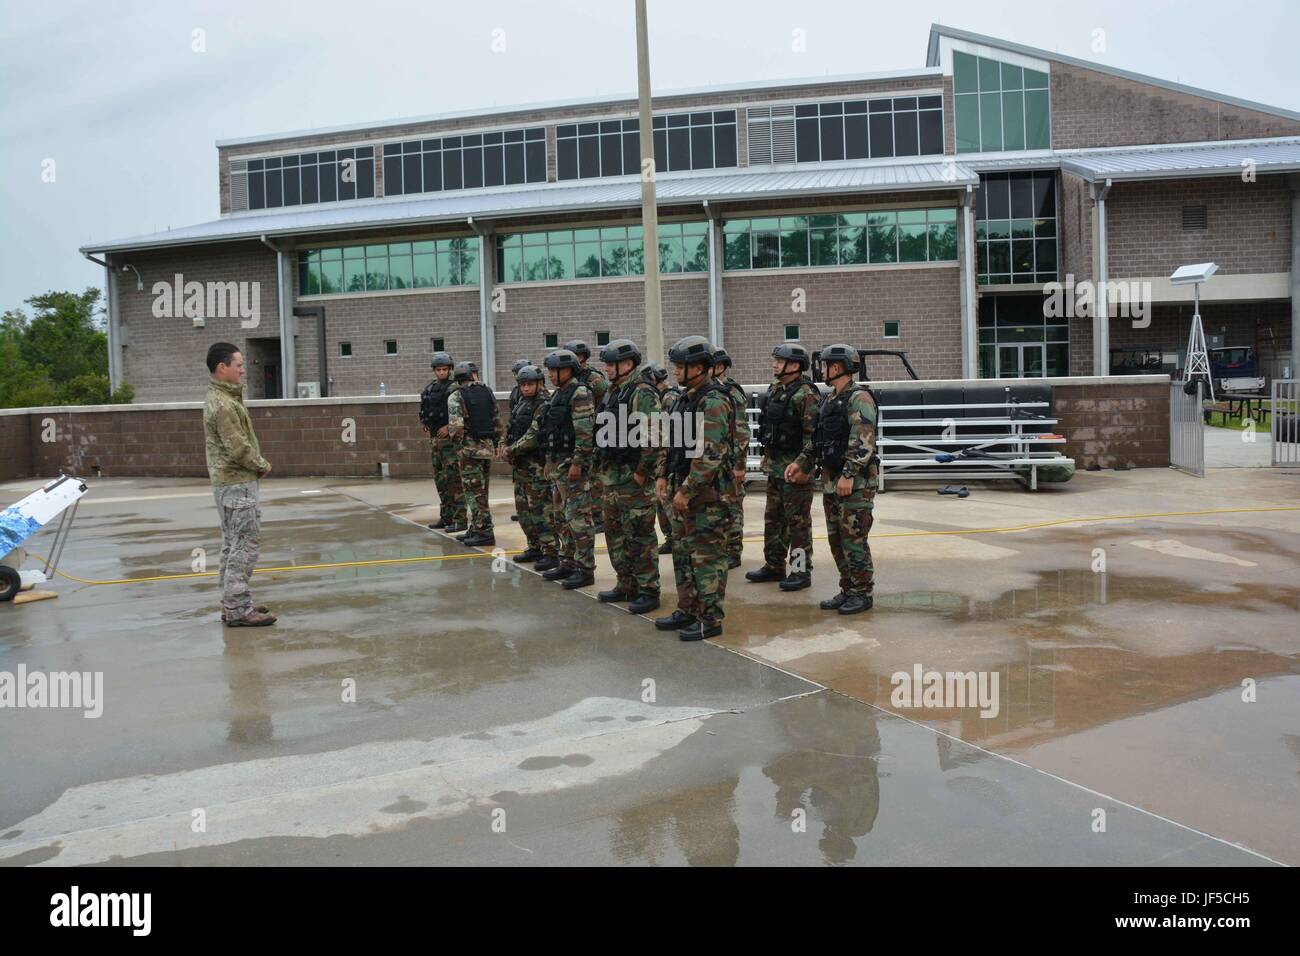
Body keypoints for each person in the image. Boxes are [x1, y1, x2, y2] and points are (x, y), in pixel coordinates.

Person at [653, 335, 733, 642]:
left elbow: (710, 455)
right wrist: (663, 475)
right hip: (682, 488)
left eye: (680, 366)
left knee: (707, 558)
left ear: (699, 368)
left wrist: (686, 490)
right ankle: (687, 609)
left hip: (707, 495)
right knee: (684, 554)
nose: (675, 371)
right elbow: (672, 445)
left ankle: (710, 618)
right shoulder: (683, 400)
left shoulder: (713, 401)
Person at [790, 345, 878, 615]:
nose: (822, 370)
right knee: (836, 539)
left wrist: (849, 474)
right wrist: (800, 462)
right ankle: (848, 589)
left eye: (826, 365)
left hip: (855, 484)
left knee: (853, 539)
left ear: (837, 367)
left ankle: (862, 593)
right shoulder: (830, 400)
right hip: (831, 481)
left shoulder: (859, 397)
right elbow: (817, 440)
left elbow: (863, 440)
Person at [203, 342, 275, 627]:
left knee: (232, 544)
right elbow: (238, 448)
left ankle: (232, 602)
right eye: (238, 365)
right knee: (244, 546)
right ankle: (238, 609)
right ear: (222, 367)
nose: (243, 370)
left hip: (229, 484)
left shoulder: (223, 398)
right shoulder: (223, 404)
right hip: (237, 484)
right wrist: (261, 465)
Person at [593, 338, 662, 615]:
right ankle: (626, 583)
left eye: (612, 364)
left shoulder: (642, 391)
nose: (607, 369)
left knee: (639, 535)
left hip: (633, 478)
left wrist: (641, 473)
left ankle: (648, 590)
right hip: (611, 477)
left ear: (628, 364)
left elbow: (655, 435)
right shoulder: (613, 391)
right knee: (615, 534)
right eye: (606, 364)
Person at [747, 342, 818, 592]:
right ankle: (774, 565)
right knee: (773, 519)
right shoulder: (776, 390)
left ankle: (800, 571)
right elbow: (770, 427)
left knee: (798, 525)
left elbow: (813, 437)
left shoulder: (806, 395)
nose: (774, 364)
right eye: (775, 360)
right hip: (776, 468)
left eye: (780, 360)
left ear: (795, 365)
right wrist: (766, 456)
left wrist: (803, 466)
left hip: (796, 471)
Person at [537, 349, 597, 589]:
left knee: (579, 518)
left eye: (554, 370)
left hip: (572, 466)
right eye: (549, 370)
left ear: (568, 370)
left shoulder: (579, 393)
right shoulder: (558, 394)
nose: (550, 375)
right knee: (561, 517)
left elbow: (585, 434)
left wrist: (578, 463)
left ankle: (585, 568)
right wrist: (547, 463)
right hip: (557, 465)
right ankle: (567, 561)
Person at [503, 363, 557, 566]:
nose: (525, 388)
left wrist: (511, 449)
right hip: (521, 467)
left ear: (539, 383)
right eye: (522, 384)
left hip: (536, 467)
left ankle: (550, 551)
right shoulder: (520, 403)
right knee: (524, 511)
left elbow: (533, 435)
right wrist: (503, 445)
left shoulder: (544, 404)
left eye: (529, 384)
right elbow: (510, 427)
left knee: (540, 511)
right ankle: (534, 547)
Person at [446, 361, 502, 546]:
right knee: (481, 492)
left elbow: (455, 428)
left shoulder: (456, 396)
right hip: (486, 449)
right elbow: (497, 421)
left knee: (473, 493)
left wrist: (460, 448)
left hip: (469, 452)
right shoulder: (487, 392)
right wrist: (496, 444)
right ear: (473, 375)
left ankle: (484, 532)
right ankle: (476, 527)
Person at [711, 348, 751, 570]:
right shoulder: (709, 391)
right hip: (714, 460)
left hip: (729, 461)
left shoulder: (730, 393)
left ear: (719, 367)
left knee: (732, 506)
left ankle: (733, 552)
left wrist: (739, 465)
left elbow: (741, 432)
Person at [419, 352, 466, 532]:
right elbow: (425, 408)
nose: (441, 373)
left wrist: (449, 427)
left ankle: (459, 518)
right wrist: (425, 423)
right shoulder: (431, 388)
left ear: (450, 370)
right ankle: (446, 517)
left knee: (453, 480)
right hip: (435, 440)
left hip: (449, 442)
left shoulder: (455, 389)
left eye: (444, 369)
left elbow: (462, 413)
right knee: (440, 481)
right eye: (438, 370)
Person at [643, 363, 680, 555]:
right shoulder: (658, 397)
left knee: (666, 500)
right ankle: (670, 538)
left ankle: (676, 537)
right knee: (659, 501)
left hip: (665, 455)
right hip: (658, 456)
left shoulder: (669, 397)